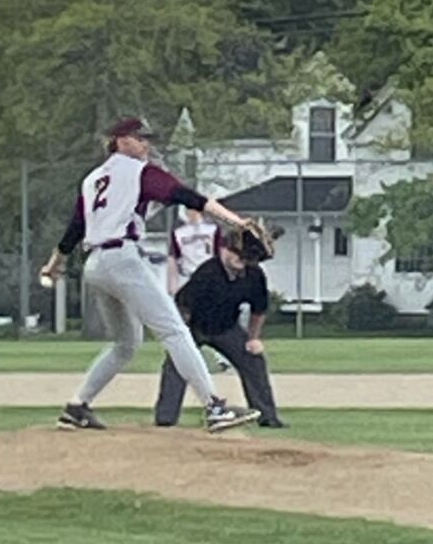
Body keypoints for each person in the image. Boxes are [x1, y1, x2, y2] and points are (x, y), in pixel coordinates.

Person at [41, 115, 260, 433]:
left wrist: (55, 263)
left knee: (126, 344)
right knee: (175, 331)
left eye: (147, 139)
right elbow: (188, 196)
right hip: (121, 259)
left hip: (96, 265)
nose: (146, 144)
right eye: (140, 138)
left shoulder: (92, 180)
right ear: (121, 140)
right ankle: (214, 407)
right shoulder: (139, 172)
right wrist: (236, 222)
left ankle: (76, 407)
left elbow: (76, 227)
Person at [154, 224, 287, 430]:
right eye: (235, 253)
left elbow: (258, 311)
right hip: (194, 325)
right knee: (176, 365)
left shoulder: (254, 276)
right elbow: (183, 306)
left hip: (226, 326)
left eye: (244, 256)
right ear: (224, 249)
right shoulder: (209, 272)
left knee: (254, 361)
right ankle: (165, 418)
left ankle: (267, 416)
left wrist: (253, 338)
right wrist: (178, 338)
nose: (239, 259)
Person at [167, 206, 219, 296]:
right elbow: (173, 258)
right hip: (188, 275)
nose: (192, 212)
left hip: (209, 275)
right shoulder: (178, 232)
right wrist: (172, 285)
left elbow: (220, 253)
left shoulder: (212, 228)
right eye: (189, 209)